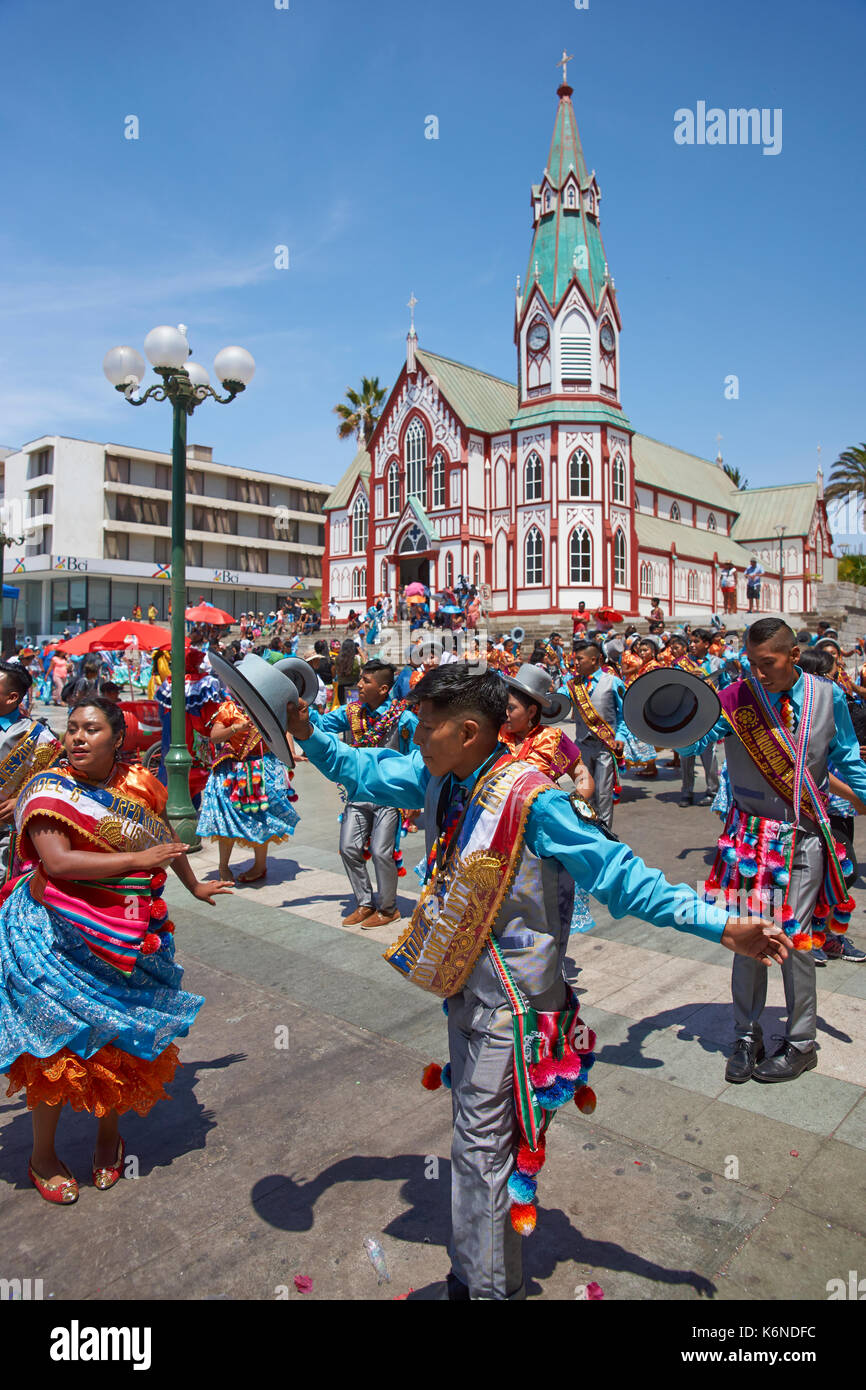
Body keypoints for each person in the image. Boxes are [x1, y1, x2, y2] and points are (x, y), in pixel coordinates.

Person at [282, 663, 787, 1300]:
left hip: (515, 1010)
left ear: (469, 732)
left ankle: (487, 1289)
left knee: (483, 1148)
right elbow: (365, 771)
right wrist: (306, 730)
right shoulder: (441, 781)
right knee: (477, 1143)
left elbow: (622, 877)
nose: (415, 736)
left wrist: (721, 927)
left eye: (427, 726)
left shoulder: (535, 800)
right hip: (466, 995)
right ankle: (480, 1275)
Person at [0, 698, 232, 1203]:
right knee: (54, 1045)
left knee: (118, 1039)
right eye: (72, 730)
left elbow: (163, 839)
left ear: (116, 739)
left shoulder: (137, 784)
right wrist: (138, 857)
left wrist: (193, 886)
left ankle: (109, 1139)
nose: (77, 738)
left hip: (126, 934)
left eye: (91, 729)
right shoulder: (47, 789)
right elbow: (58, 864)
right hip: (55, 936)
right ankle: (42, 1154)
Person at [679, 618, 866, 1082]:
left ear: (793, 655)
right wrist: (670, 717)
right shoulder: (735, 698)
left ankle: (801, 1042)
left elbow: (846, 757)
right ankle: (746, 1033)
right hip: (748, 842)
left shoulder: (829, 697)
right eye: (752, 663)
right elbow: (695, 737)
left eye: (768, 664)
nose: (758, 674)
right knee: (747, 938)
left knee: (795, 939)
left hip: (803, 837)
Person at [311, 659, 417, 929]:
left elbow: (420, 750)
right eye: (360, 679)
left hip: (391, 797)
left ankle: (388, 908)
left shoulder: (403, 717)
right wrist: (303, 712)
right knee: (348, 848)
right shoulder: (351, 713)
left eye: (366, 681)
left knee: (382, 852)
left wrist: (415, 797)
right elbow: (320, 725)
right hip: (358, 793)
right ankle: (365, 902)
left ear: (383, 689)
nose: (358, 685)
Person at [196, 687, 300, 885]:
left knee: (263, 816)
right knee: (226, 817)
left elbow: (283, 730)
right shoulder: (229, 708)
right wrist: (236, 728)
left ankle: (260, 865)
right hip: (232, 770)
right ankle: (223, 866)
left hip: (263, 767)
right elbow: (215, 736)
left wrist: (290, 752)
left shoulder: (267, 707)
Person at [0, 662, 62, 871]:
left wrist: (21, 800)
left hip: (8, 835)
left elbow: (58, 779)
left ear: (12, 698)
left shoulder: (37, 736)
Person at [676, 630, 721, 808]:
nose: (692, 645)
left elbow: (724, 687)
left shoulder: (718, 663)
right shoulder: (681, 665)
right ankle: (686, 791)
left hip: (708, 716)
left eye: (696, 641)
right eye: (691, 641)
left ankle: (713, 791)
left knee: (708, 754)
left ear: (707, 645)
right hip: (687, 716)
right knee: (686, 755)